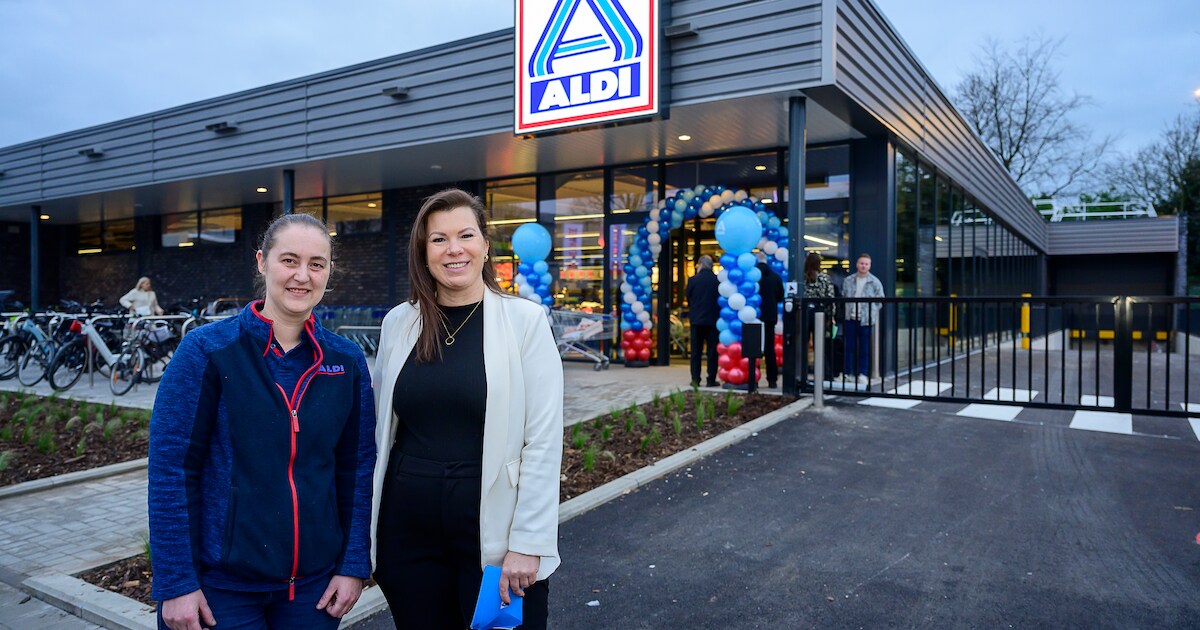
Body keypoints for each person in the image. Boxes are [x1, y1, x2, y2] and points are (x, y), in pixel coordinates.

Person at [148, 213, 377, 630]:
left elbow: (356, 469)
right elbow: (171, 470)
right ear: (261, 262)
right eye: (289, 260)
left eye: (317, 264)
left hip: (313, 590)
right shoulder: (208, 350)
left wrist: (353, 564)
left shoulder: (346, 361)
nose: (302, 276)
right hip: (221, 590)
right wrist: (176, 581)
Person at [370, 188, 563, 629]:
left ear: (485, 245)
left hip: (495, 536)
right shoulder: (399, 322)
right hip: (407, 534)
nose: (453, 249)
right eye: (438, 239)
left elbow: (544, 440)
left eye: (466, 235)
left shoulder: (525, 322)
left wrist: (528, 542)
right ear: (423, 251)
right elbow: (382, 430)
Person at [840, 253, 885, 385]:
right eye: (861, 263)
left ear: (869, 265)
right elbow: (843, 296)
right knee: (849, 347)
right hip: (850, 318)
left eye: (866, 264)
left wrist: (870, 312)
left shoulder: (875, 282)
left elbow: (880, 300)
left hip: (866, 320)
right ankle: (847, 373)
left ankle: (862, 374)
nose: (864, 266)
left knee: (864, 348)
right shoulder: (848, 280)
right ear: (857, 264)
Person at [685, 254, 720, 387]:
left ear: (700, 265)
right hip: (712, 321)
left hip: (697, 320)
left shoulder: (693, 280)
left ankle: (695, 379)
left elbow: (688, 297)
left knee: (696, 352)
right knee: (712, 352)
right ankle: (711, 379)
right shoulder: (717, 281)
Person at [803, 252, 835, 379]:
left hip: (805, 312)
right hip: (819, 312)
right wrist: (831, 315)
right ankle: (825, 373)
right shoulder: (824, 278)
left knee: (803, 344)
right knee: (820, 344)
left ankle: (802, 372)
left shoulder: (802, 277)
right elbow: (830, 297)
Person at [755, 251, 784, 388]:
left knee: (753, 348)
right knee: (769, 349)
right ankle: (772, 380)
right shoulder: (775, 277)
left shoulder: (753, 277)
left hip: (754, 316)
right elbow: (780, 297)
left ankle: (752, 379)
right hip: (770, 317)